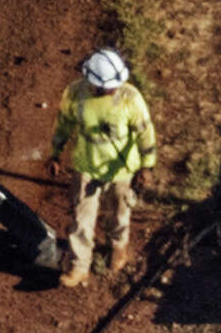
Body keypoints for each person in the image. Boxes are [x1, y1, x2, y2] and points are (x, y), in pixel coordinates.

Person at [49, 47, 156, 287]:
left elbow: (145, 132)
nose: (114, 89)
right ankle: (79, 267)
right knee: (81, 219)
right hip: (86, 168)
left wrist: (147, 166)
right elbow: (63, 125)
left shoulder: (131, 98)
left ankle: (118, 248)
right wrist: (55, 154)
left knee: (119, 213)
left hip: (121, 172)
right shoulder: (75, 94)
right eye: (108, 86)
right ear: (93, 83)